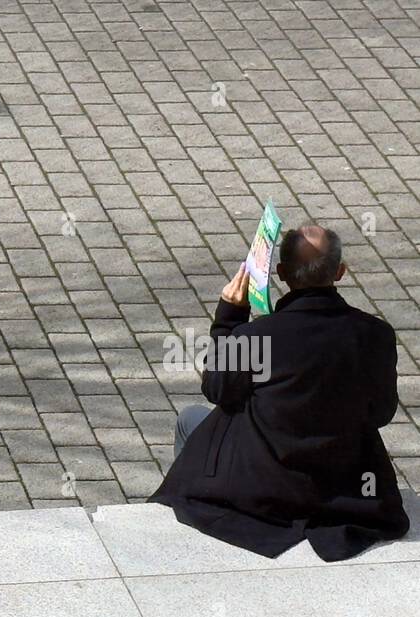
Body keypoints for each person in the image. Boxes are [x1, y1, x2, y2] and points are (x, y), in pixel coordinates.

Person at [150, 224, 410, 560]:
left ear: (282, 274)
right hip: (345, 488)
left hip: (263, 488)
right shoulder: (375, 334)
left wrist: (230, 318)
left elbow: (217, 388)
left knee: (190, 419)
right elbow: (380, 413)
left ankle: (203, 498)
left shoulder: (256, 337)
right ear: (340, 272)